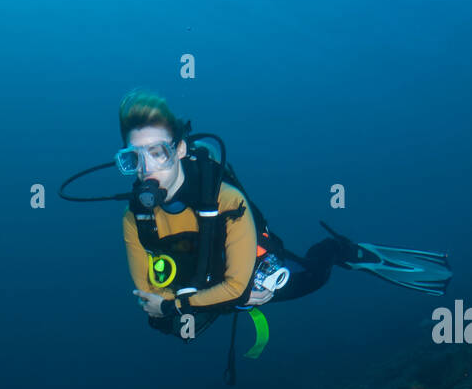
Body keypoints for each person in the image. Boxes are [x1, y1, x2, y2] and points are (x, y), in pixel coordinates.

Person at [116, 89, 451, 351]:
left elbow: (231, 287)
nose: (146, 170)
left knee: (314, 277)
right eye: (134, 158)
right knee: (171, 328)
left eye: (157, 153)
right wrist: (185, 305)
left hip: (249, 275)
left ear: (180, 150)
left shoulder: (226, 199)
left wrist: (178, 304)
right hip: (204, 290)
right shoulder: (136, 219)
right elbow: (151, 304)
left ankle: (341, 250)